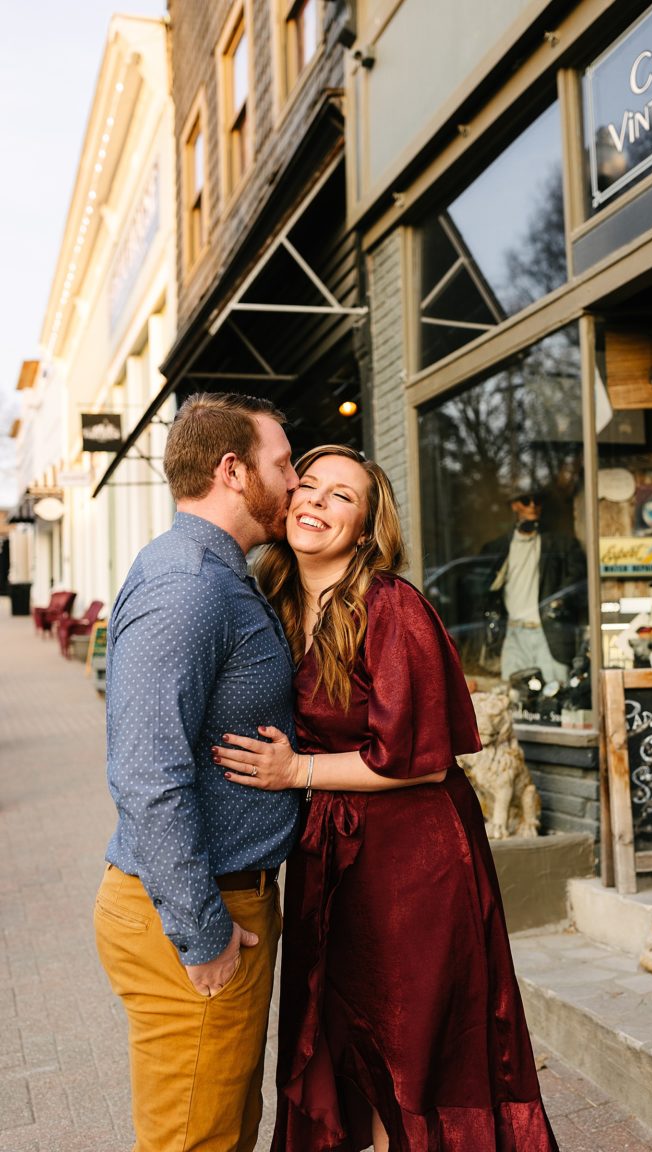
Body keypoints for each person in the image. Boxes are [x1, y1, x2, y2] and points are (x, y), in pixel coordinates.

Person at [212, 445, 559, 1152]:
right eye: (307, 485)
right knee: (342, 1034)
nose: (315, 502)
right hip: (331, 852)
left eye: (342, 497)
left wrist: (296, 773)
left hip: (414, 859)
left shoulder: (390, 606)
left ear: (368, 529)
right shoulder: (269, 601)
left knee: (414, 1039)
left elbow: (421, 764)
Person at [94, 393, 301, 1152]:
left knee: (223, 1133)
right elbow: (147, 771)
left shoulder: (223, 572)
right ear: (231, 470)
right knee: (195, 1142)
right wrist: (203, 931)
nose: (294, 481)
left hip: (224, 901)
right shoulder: (188, 583)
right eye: (281, 465)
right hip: (195, 913)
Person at [486, 487, 586, 684]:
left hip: (547, 632)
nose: (532, 506)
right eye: (525, 500)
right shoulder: (499, 548)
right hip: (514, 632)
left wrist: (558, 602)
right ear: (514, 505)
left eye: (537, 501)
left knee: (555, 691)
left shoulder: (559, 544)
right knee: (515, 696)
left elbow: (578, 577)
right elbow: (483, 589)